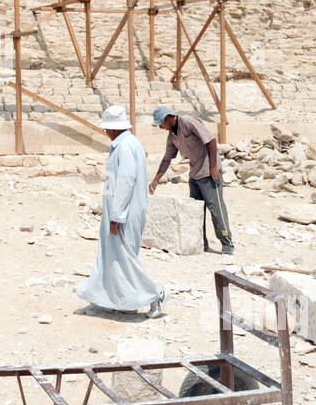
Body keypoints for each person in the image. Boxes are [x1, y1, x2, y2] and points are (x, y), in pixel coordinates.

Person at [77, 105, 166, 317]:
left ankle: (156, 295)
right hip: (122, 211)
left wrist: (116, 217)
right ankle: (107, 298)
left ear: (112, 128)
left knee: (124, 258)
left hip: (124, 213)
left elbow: (125, 182)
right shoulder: (126, 143)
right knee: (111, 257)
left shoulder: (125, 146)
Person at [149, 105, 235, 255]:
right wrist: (156, 180)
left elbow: (211, 141)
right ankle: (202, 244)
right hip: (195, 173)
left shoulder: (188, 122)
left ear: (168, 118)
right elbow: (167, 159)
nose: (160, 127)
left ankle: (227, 244)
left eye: (160, 124)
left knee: (216, 209)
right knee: (195, 211)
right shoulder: (172, 136)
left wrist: (213, 166)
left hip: (209, 172)